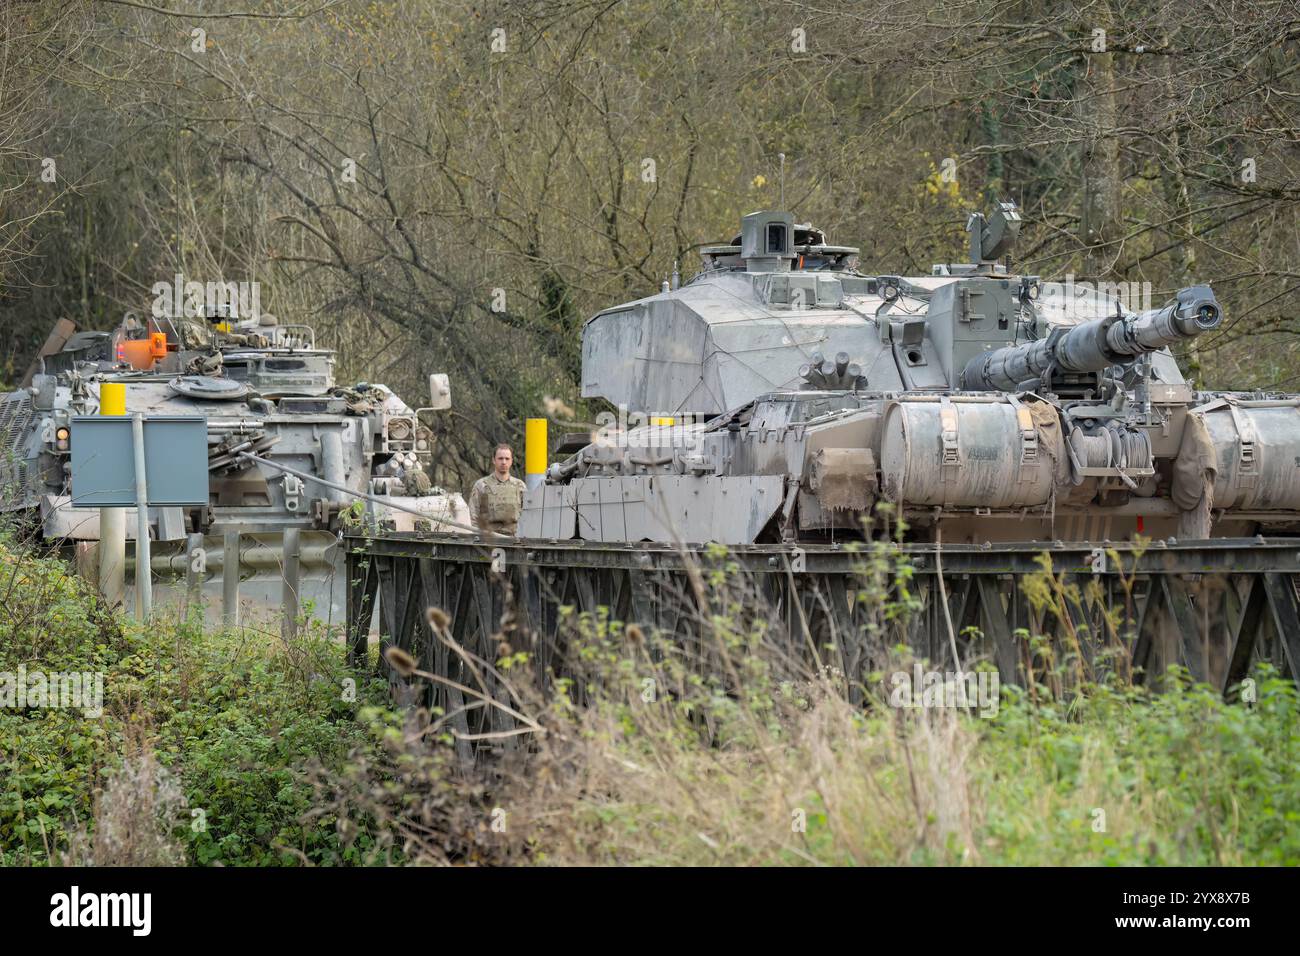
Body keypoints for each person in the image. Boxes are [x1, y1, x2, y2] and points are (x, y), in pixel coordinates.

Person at [468, 443, 526, 535]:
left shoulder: (520, 486)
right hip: (488, 539)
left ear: (511, 461)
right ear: (494, 460)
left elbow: (526, 515)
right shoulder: (481, 485)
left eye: (507, 459)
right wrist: (479, 537)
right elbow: (474, 515)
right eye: (500, 458)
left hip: (514, 539)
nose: (503, 462)